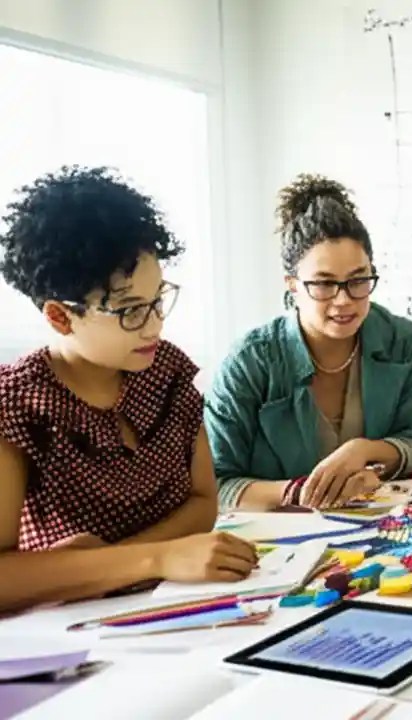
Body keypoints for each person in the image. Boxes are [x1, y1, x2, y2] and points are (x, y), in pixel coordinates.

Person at [0, 166, 257, 613]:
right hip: (68, 631)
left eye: (158, 299)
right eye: (130, 310)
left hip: (175, 604)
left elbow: (203, 502)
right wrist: (157, 557)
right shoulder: (17, 404)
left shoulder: (167, 370)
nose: (155, 324)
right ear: (60, 316)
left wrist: (120, 563)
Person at [206, 174, 412, 511]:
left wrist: (366, 451)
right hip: (279, 543)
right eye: (324, 284)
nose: (344, 300)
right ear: (292, 285)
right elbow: (215, 482)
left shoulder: (403, 340)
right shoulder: (250, 361)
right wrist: (298, 493)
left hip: (379, 532)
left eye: (358, 280)